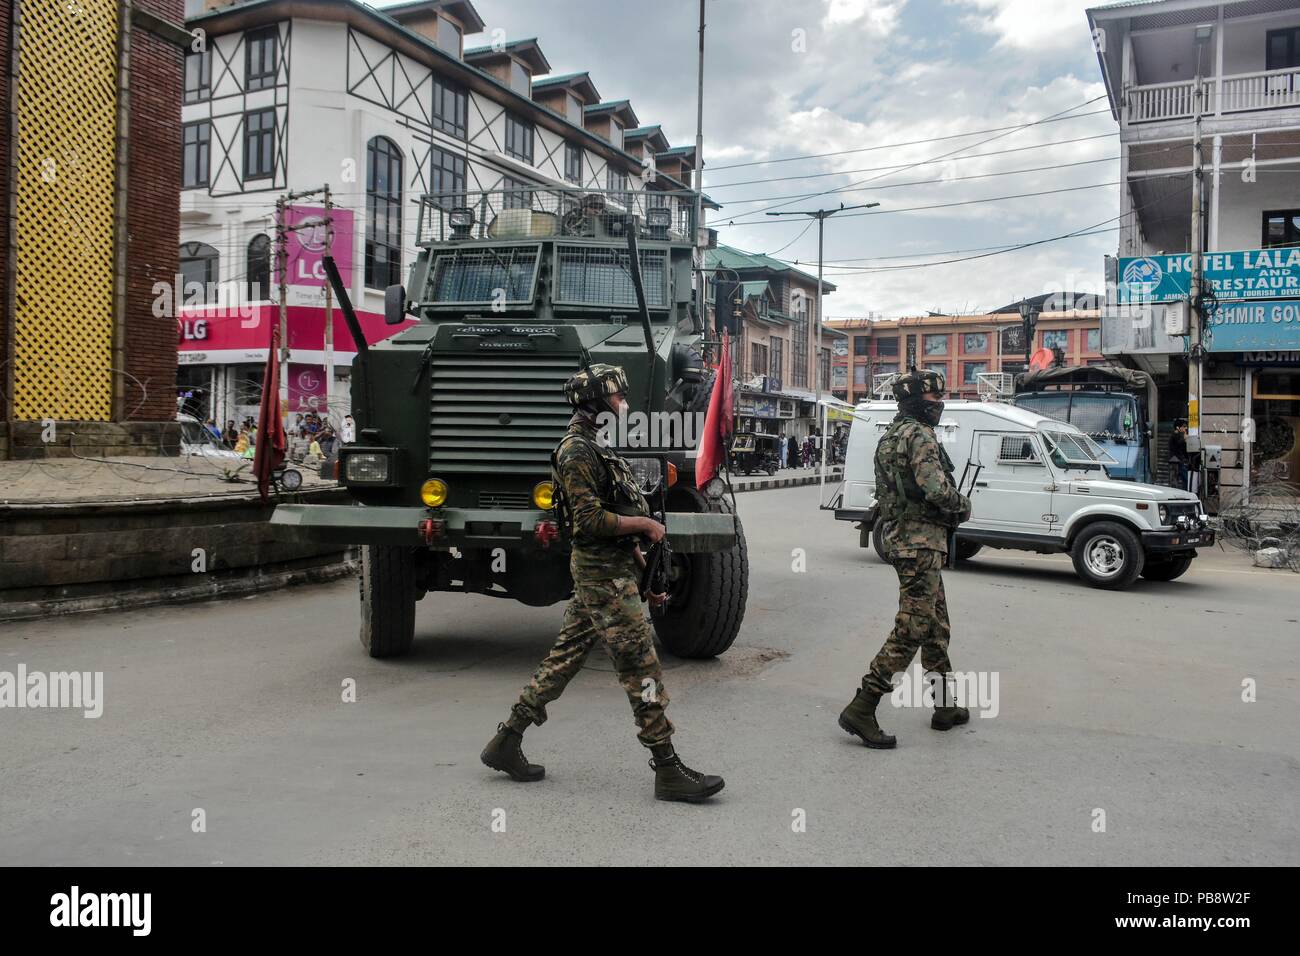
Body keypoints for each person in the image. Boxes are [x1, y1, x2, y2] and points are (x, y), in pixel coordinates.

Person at [481, 363, 724, 803]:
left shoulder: (597, 446)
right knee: (641, 668)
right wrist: (647, 526)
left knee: (564, 659)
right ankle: (667, 769)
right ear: (593, 402)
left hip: (614, 570)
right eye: (616, 397)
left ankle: (505, 741)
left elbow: (614, 519)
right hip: (602, 578)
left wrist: (644, 567)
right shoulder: (576, 451)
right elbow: (589, 521)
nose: (623, 404)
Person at [839, 370, 972, 749]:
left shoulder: (891, 435)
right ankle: (863, 704)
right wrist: (962, 507)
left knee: (935, 623)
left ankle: (945, 706)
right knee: (913, 626)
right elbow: (936, 490)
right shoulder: (920, 436)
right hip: (920, 542)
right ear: (917, 403)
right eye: (934, 401)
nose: (939, 407)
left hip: (904, 540)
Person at [1169, 418, 1189, 490]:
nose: (1185, 428)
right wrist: (1184, 439)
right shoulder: (1174, 435)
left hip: (1180, 461)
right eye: (1183, 426)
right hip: (1176, 462)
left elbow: (1183, 449)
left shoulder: (1179, 436)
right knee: (1181, 479)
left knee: (1184, 479)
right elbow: (1178, 445)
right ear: (1178, 427)